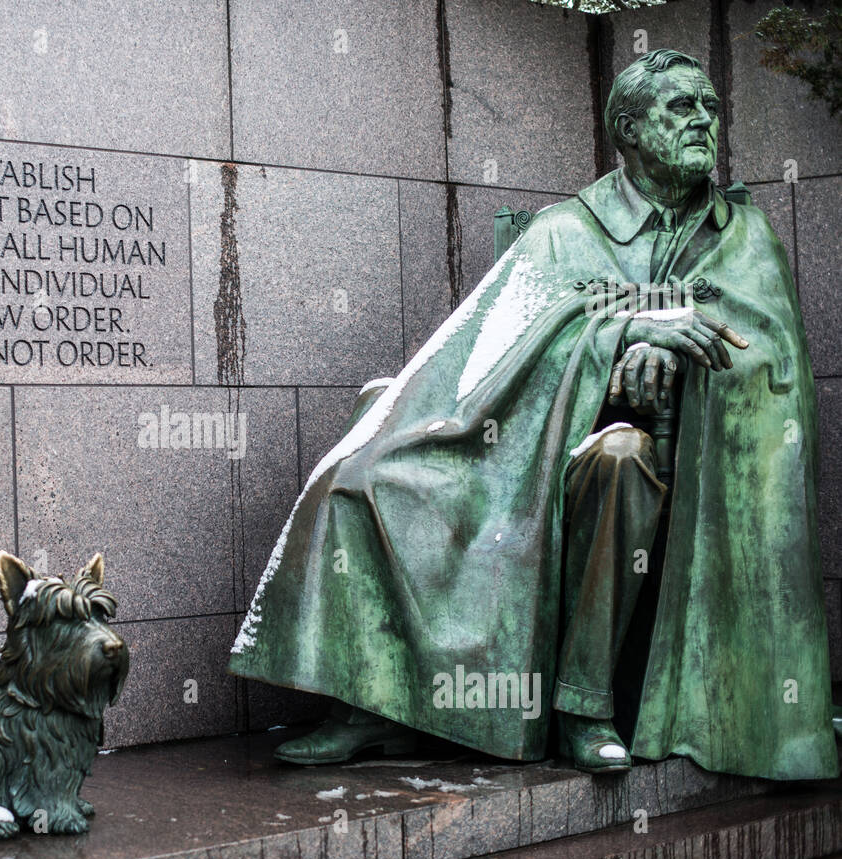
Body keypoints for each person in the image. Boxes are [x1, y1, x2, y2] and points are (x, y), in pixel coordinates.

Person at [228, 49, 838, 781]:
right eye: (682, 108)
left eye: (710, 107)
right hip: (519, 443)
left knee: (620, 457)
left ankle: (583, 706)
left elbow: (760, 360)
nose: (704, 121)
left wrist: (668, 358)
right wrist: (623, 337)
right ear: (631, 130)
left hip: (644, 458)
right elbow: (494, 349)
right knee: (359, 473)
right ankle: (372, 701)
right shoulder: (562, 230)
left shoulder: (742, 236)